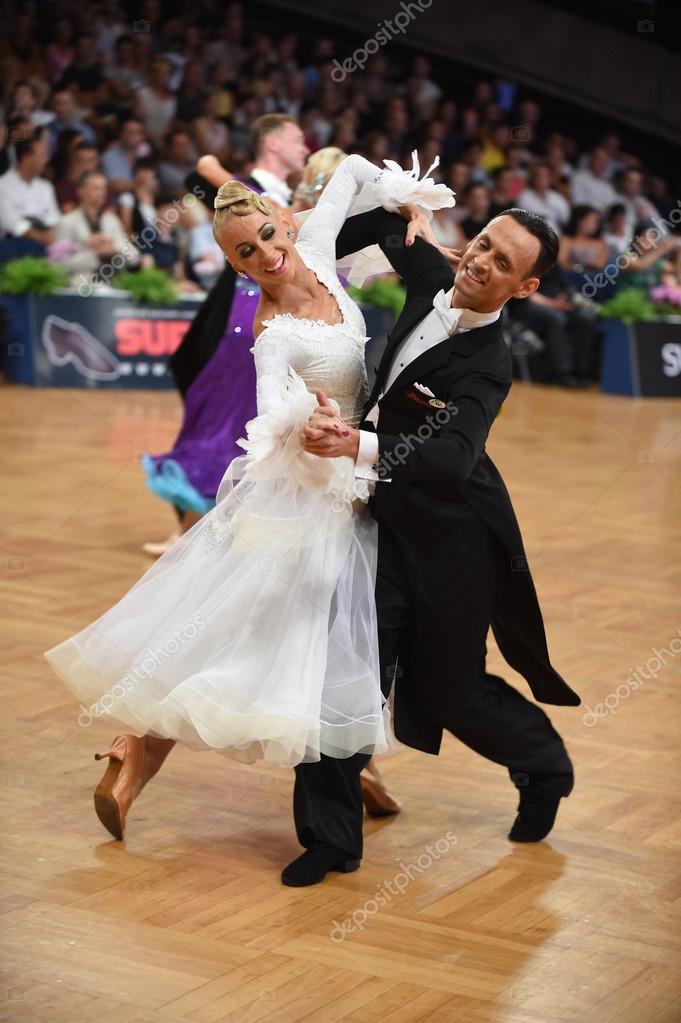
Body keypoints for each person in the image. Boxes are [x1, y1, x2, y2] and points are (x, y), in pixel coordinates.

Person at [44, 152, 454, 846]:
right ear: (235, 267)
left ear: (286, 224)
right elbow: (267, 421)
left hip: (352, 478)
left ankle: (327, 767)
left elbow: (350, 169)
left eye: (267, 236)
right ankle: (143, 753)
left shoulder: (319, 248)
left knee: (305, 632)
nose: (264, 255)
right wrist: (308, 423)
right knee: (263, 634)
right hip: (311, 493)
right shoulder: (272, 336)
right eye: (245, 252)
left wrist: (406, 199)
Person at [291, 206, 581, 886]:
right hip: (384, 523)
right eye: (482, 244)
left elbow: (452, 457)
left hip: (457, 541)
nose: (480, 261)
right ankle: (330, 838)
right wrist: (365, 212)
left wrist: (355, 444)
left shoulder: (488, 363)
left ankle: (543, 765)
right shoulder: (430, 275)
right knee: (345, 668)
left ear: (525, 288)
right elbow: (367, 228)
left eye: (502, 263)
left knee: (452, 691)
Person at [141, 114, 308, 547]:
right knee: (214, 417)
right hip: (236, 327)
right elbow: (201, 170)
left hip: (278, 327)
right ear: (271, 143)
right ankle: (187, 530)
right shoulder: (245, 187)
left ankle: (231, 529)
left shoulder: (295, 198)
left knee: (255, 427)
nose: (306, 148)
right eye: (297, 139)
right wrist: (262, 202)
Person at [54, 170, 137, 282]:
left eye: (104, 188)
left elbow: (134, 256)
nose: (102, 192)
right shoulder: (67, 222)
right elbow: (58, 266)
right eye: (96, 188)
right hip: (79, 285)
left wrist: (113, 247)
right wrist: (94, 252)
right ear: (81, 191)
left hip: (114, 284)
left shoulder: (112, 221)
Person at [0, 132, 60, 247]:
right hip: (14, 241)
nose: (46, 160)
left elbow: (54, 218)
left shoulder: (46, 186)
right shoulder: (2, 185)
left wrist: (49, 235)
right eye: (41, 156)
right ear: (25, 158)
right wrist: (40, 237)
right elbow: (11, 223)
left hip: (47, 239)